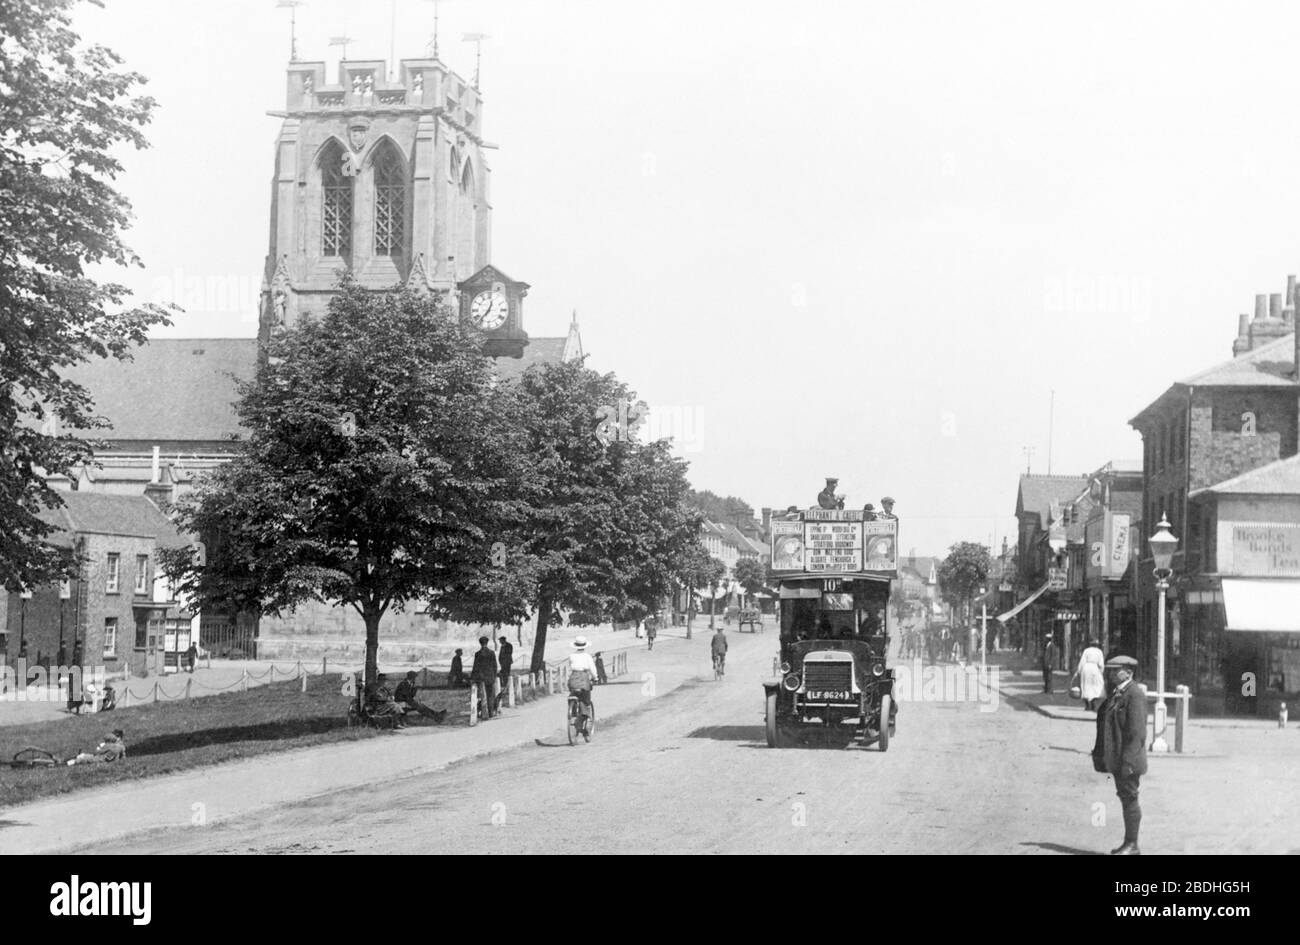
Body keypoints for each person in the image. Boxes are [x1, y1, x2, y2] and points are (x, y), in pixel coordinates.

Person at [1092, 655, 1148, 855]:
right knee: (1126, 797)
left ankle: (1132, 844)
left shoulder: (1135, 695)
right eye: (1111, 670)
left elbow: (1137, 734)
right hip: (1120, 758)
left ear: (1129, 672)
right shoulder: (1118, 693)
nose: (1112, 673)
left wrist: (1128, 762)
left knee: (1130, 798)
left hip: (1129, 760)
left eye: (1117, 670)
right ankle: (1129, 843)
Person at [567, 637, 598, 736]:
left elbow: (570, 668)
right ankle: (585, 719)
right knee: (586, 700)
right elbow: (592, 669)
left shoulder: (571, 656)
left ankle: (573, 710)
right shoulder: (587, 656)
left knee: (573, 693)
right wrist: (595, 677)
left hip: (573, 679)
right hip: (583, 678)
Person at [1073, 638, 1106, 711]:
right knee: (1096, 686)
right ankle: (1093, 703)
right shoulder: (1099, 652)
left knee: (1085, 686)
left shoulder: (1086, 651)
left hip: (1086, 668)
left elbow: (1082, 661)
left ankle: (1087, 705)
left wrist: (1079, 671)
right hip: (1095, 668)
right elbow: (1101, 664)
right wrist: (1101, 672)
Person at [470, 636, 498, 718]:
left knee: (482, 695)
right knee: (490, 695)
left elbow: (475, 667)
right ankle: (490, 713)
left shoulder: (478, 654)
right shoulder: (491, 653)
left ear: (480, 643)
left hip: (481, 678)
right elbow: (495, 666)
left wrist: (473, 678)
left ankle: (484, 713)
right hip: (490, 678)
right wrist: (494, 676)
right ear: (487, 643)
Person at [497, 636, 514, 710]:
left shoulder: (509, 645)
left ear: (504, 640)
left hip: (507, 663)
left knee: (506, 673)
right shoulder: (502, 646)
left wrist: (505, 661)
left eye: (500, 640)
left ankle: (506, 685)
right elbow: (500, 655)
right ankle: (504, 684)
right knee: (503, 674)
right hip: (503, 663)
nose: (500, 642)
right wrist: (500, 661)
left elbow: (508, 654)